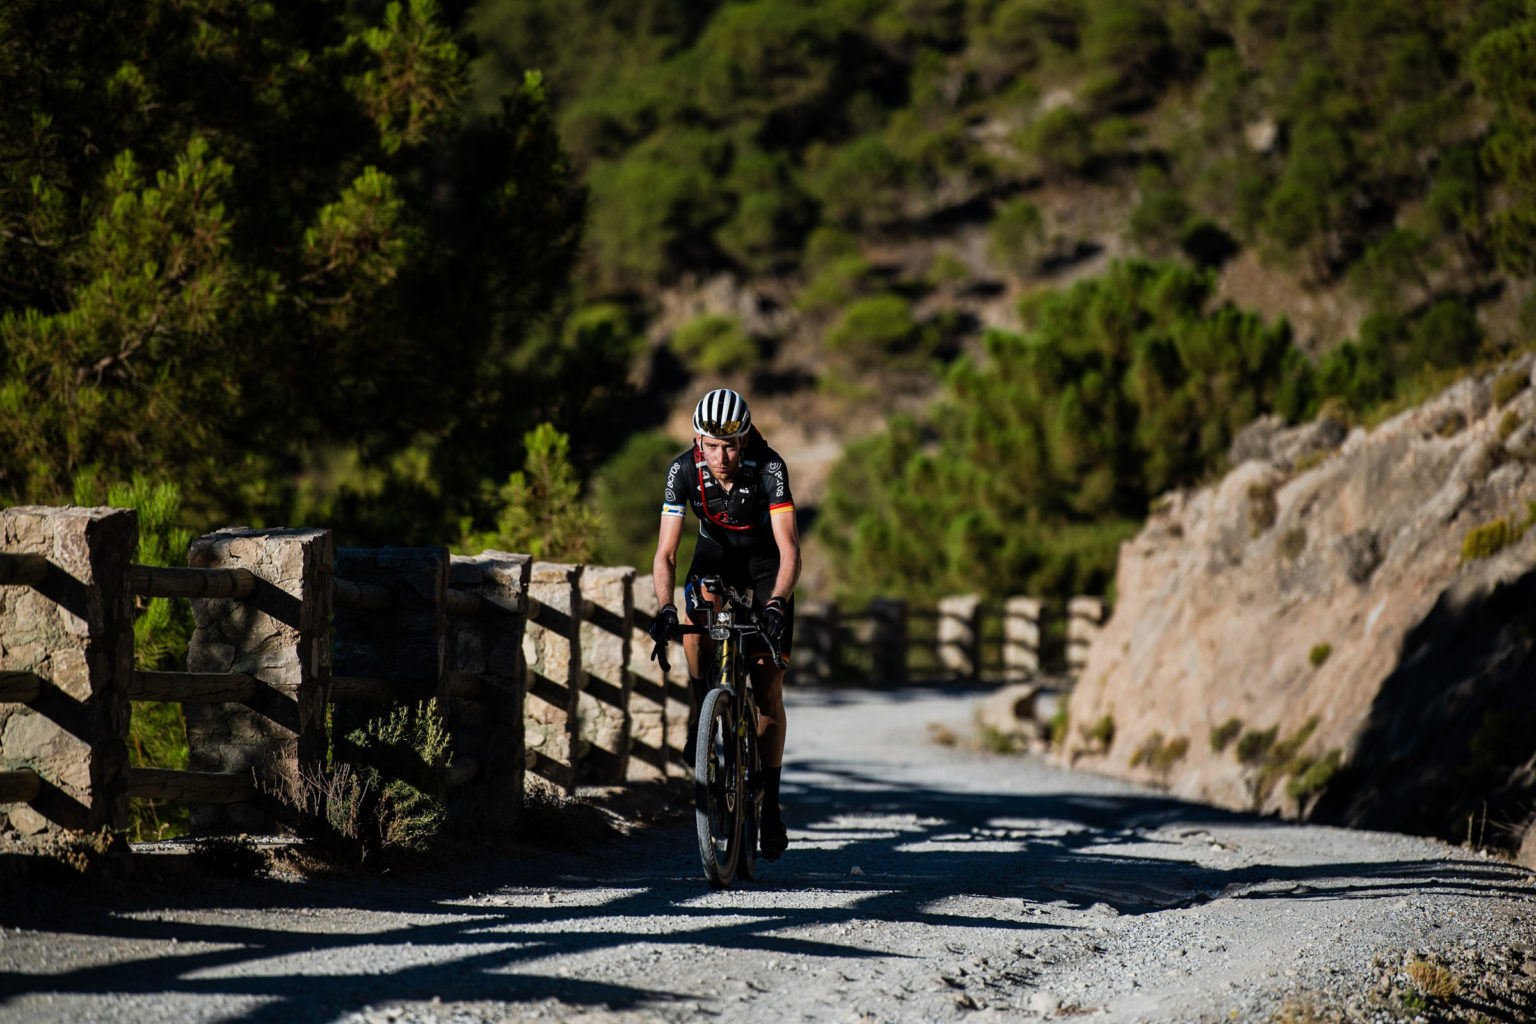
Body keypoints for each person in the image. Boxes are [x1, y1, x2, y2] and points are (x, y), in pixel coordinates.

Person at [649, 388, 801, 860]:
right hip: (714, 557)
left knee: (767, 685)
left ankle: (770, 806)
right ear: (697, 441)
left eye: (731, 445)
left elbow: (791, 551)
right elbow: (667, 553)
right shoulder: (682, 471)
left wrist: (776, 603)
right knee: (695, 614)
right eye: (711, 446)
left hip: (763, 565)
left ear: (747, 436)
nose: (721, 456)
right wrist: (664, 608)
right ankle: (701, 707)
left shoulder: (770, 467)